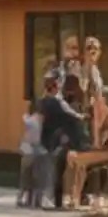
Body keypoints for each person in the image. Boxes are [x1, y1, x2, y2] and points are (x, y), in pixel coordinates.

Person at [38, 76, 85, 209]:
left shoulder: (41, 102)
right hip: (57, 140)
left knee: (51, 170)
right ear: (54, 88)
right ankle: (55, 200)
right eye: (57, 87)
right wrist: (83, 117)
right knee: (57, 170)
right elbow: (70, 114)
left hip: (46, 140)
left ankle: (49, 199)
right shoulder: (56, 102)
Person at [17, 103, 43, 208]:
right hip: (35, 149)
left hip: (26, 148)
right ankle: (36, 200)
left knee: (25, 176)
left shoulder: (28, 120)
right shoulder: (38, 121)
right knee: (36, 176)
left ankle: (22, 198)